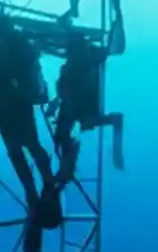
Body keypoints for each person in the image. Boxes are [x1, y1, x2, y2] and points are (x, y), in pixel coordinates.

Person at [0, 16, 57, 224]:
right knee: (22, 146)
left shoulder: (14, 45)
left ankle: (41, 185)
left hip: (13, 102)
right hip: (9, 102)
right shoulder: (9, 46)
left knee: (23, 146)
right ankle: (38, 186)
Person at [50, 32, 126, 186]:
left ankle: (68, 167)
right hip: (76, 105)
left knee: (65, 132)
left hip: (82, 105)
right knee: (61, 134)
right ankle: (68, 167)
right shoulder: (79, 59)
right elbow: (63, 88)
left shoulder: (90, 54)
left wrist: (117, 18)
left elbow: (115, 48)